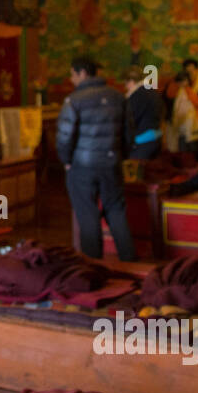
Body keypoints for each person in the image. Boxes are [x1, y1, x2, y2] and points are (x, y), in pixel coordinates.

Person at [55, 57, 136, 261]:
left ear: (82, 73)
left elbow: (64, 136)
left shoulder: (74, 100)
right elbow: (129, 133)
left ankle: (93, 264)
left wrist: (66, 161)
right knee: (116, 211)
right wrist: (121, 156)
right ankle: (129, 260)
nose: (72, 79)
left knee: (87, 214)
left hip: (83, 166)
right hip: (112, 164)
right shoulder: (119, 97)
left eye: (72, 74)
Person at [165, 58, 198, 161]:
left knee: (195, 156)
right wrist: (177, 82)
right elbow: (169, 95)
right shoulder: (180, 84)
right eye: (187, 70)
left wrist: (187, 88)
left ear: (197, 70)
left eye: (192, 70)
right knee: (183, 155)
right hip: (181, 125)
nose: (190, 73)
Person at [122, 66, 163, 160]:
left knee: (136, 171)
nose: (125, 87)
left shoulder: (138, 95)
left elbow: (131, 119)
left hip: (142, 140)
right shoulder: (152, 92)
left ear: (131, 81)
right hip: (156, 136)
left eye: (125, 83)